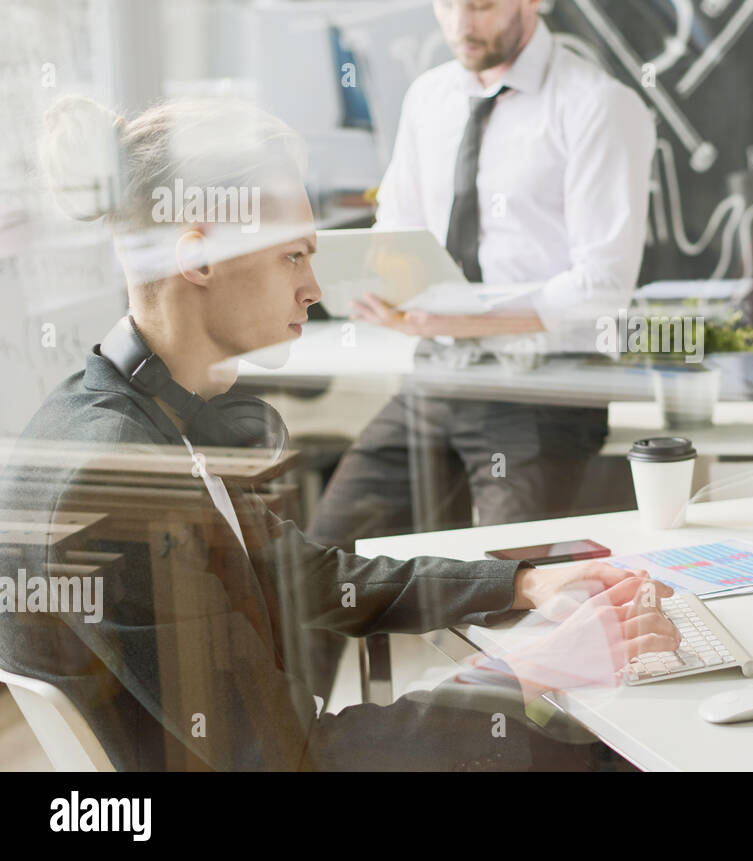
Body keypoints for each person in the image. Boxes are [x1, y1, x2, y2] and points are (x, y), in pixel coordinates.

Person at [0, 93, 676, 771]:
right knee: (594, 747)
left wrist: (522, 585)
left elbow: (307, 573)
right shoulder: (115, 478)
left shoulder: (133, 416)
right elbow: (296, 755)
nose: (313, 287)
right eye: (292, 256)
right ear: (199, 259)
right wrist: (532, 668)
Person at [308, 0, 657, 551]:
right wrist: (376, 281)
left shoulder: (598, 107)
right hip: (436, 376)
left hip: (542, 394)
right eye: (443, 4)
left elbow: (603, 286)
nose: (458, 27)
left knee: (506, 583)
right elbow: (400, 224)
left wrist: (462, 319)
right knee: (321, 560)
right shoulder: (429, 98)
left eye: (479, 4)